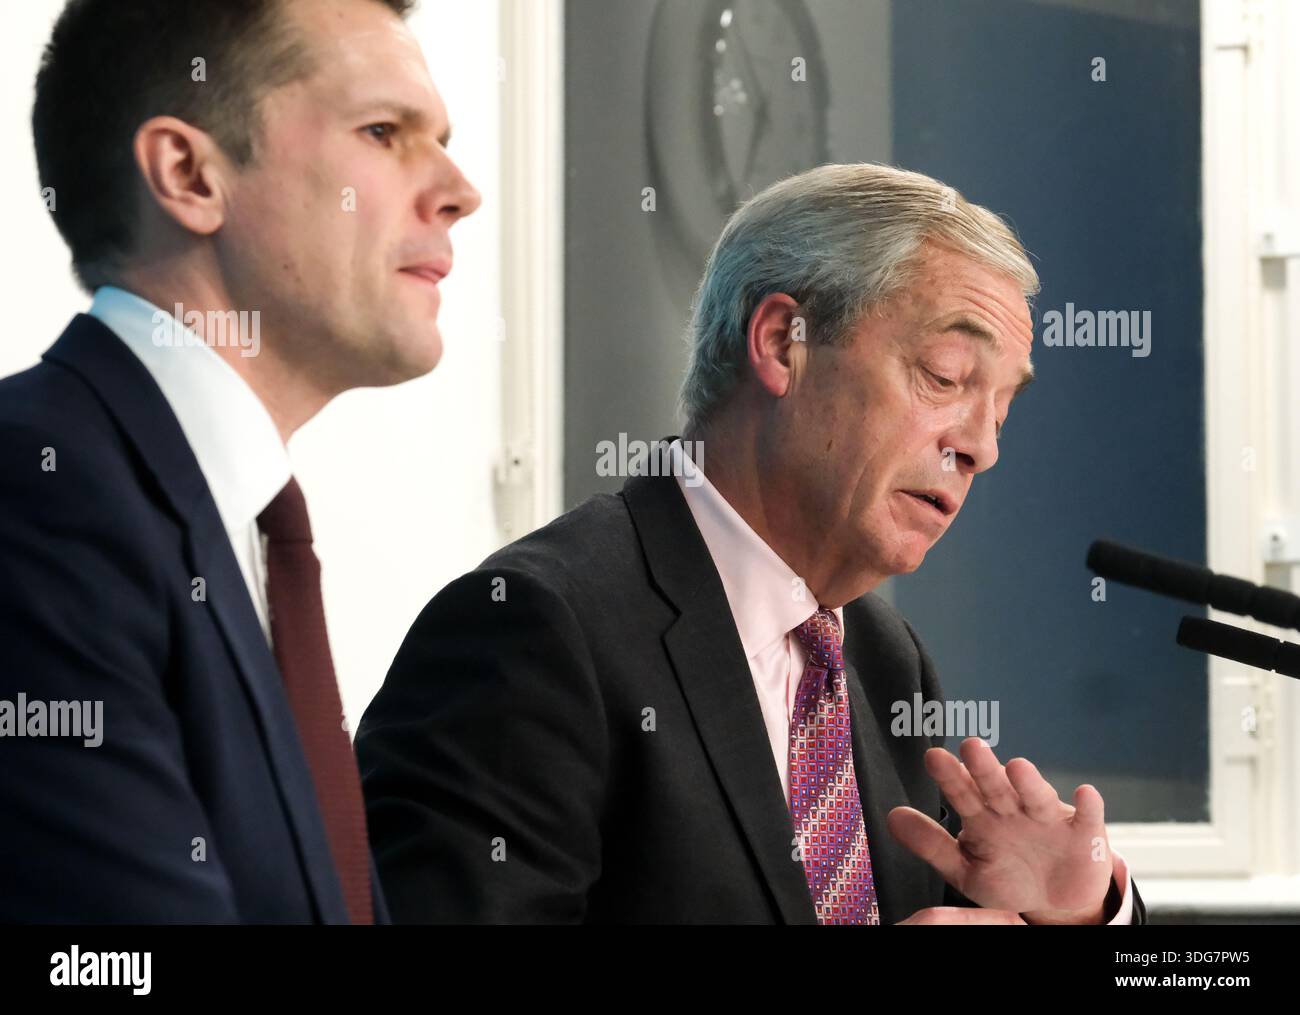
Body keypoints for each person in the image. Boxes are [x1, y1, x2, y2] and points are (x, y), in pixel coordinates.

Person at [357, 163, 1144, 924]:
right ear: (779, 342)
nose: (981, 446)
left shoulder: (883, 657)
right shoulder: (534, 631)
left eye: (1001, 409)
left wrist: (1076, 912)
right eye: (945, 375)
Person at [0, 0, 479, 922]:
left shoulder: (234, 527)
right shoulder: (38, 491)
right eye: (385, 132)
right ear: (189, 173)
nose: (460, 188)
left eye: (443, 139)